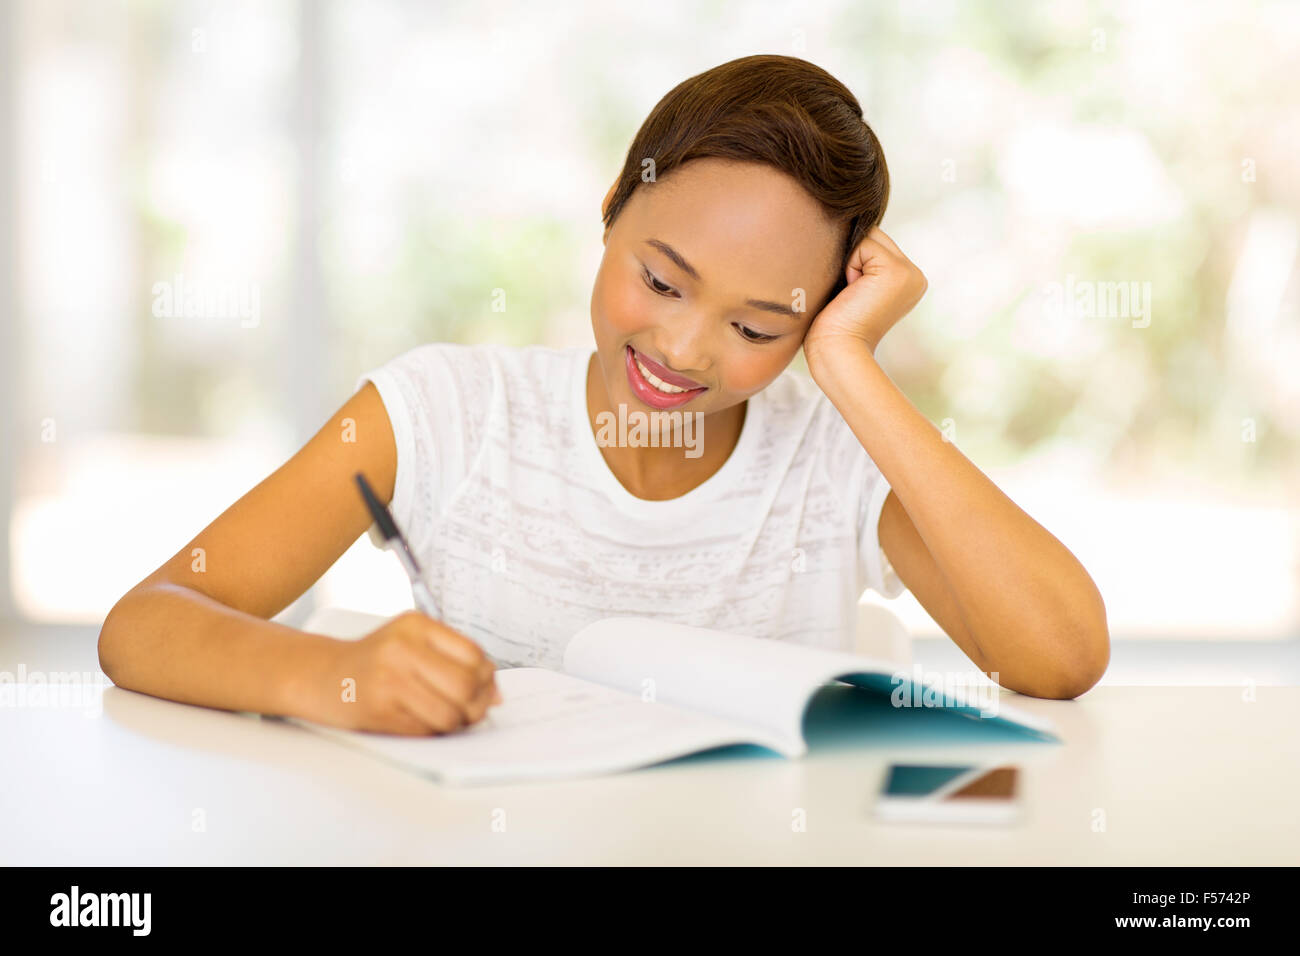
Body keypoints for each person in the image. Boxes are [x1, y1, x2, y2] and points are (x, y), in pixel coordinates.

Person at [98, 54, 1109, 737]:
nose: (680, 346)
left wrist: (849, 364)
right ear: (611, 209)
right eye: (661, 281)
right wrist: (337, 675)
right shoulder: (444, 410)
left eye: (759, 326)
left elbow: (1059, 656)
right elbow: (146, 620)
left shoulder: (834, 462)